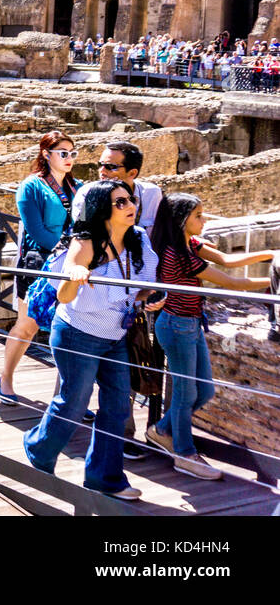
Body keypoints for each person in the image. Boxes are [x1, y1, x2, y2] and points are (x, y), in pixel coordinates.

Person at [23, 181, 162, 501]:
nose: (131, 206)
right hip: (77, 334)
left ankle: (105, 477)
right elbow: (64, 292)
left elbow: (142, 286)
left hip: (115, 336)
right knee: (74, 403)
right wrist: (75, 275)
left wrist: (152, 297)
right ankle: (38, 449)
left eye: (131, 200)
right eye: (121, 202)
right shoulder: (87, 243)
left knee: (115, 408)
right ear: (102, 209)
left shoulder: (139, 239)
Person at [145, 193, 273, 479]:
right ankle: (185, 454)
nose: (204, 220)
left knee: (205, 392)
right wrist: (274, 279)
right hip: (177, 326)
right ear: (182, 221)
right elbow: (232, 283)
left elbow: (227, 260)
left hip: (191, 324)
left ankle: (162, 431)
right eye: (199, 216)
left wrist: (270, 256)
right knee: (186, 392)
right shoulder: (178, 255)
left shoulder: (189, 243)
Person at [0, 132, 79, 403]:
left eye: (72, 153)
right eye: (63, 153)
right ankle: (4, 377)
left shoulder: (76, 187)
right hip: (40, 263)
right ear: (46, 154)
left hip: (71, 265)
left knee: (67, 329)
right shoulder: (31, 186)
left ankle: (67, 397)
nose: (69, 158)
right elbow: (37, 231)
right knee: (27, 326)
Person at [74, 141, 160, 235]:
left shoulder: (152, 194)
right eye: (100, 165)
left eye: (110, 166)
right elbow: (81, 229)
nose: (102, 171)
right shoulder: (87, 193)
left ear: (132, 173)